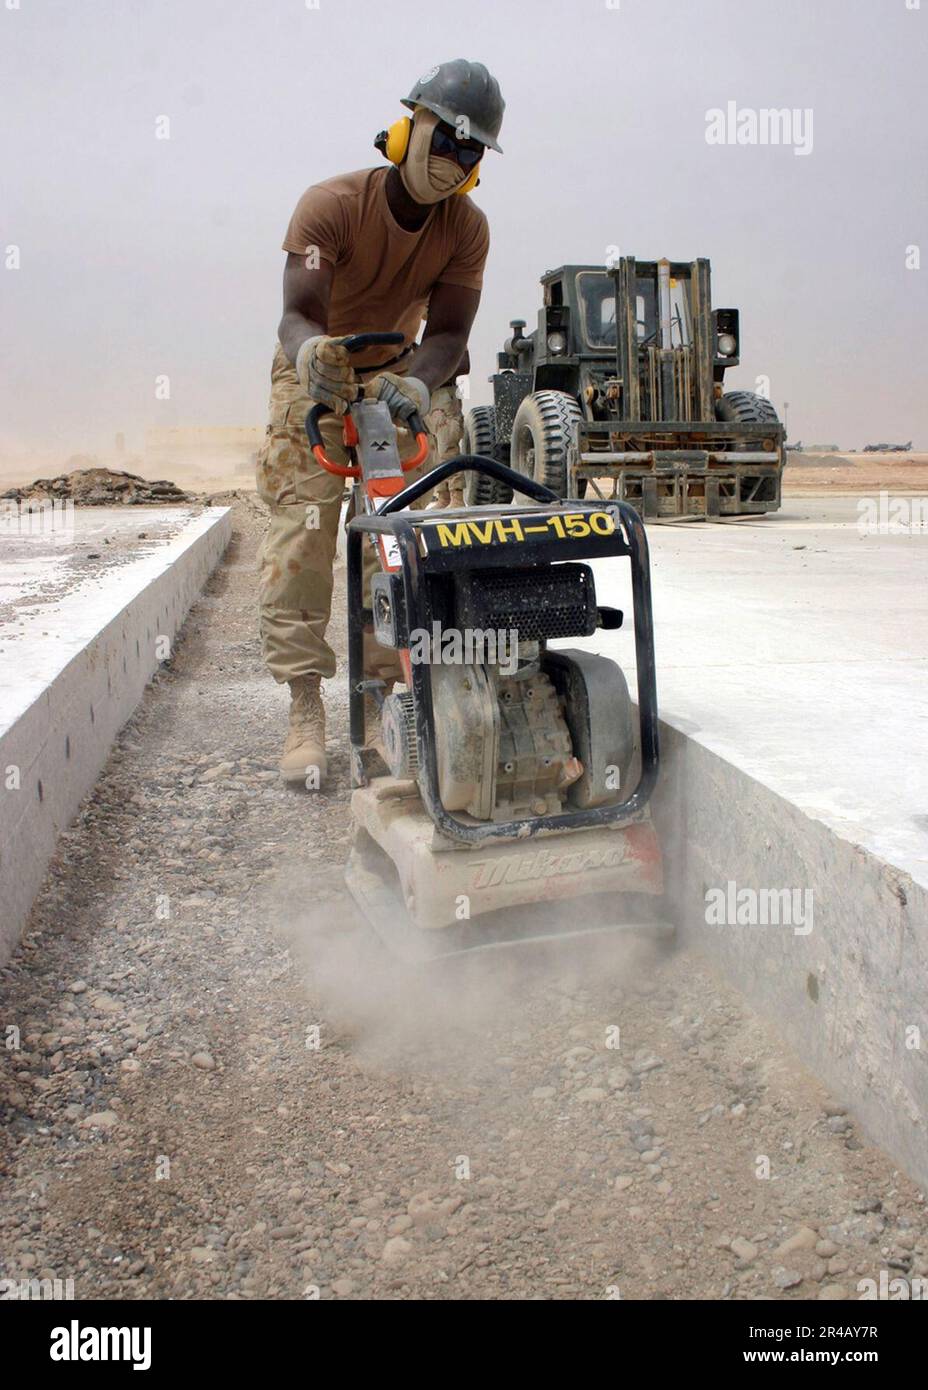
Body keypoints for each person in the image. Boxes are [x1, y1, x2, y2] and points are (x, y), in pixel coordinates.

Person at [256, 60, 505, 786]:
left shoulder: (467, 229)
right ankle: (307, 707)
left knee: (400, 540)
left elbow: (451, 335)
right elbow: (297, 314)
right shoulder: (329, 204)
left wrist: (417, 386)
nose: (455, 161)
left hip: (400, 381)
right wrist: (311, 359)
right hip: (316, 370)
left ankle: (383, 698)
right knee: (303, 532)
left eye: (472, 151)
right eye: (447, 140)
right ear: (410, 127)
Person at [427, 349, 469, 510]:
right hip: (432, 395)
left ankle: (457, 497)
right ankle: (443, 496)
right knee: (435, 452)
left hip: (445, 393)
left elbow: (464, 367)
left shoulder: (452, 339)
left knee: (447, 448)